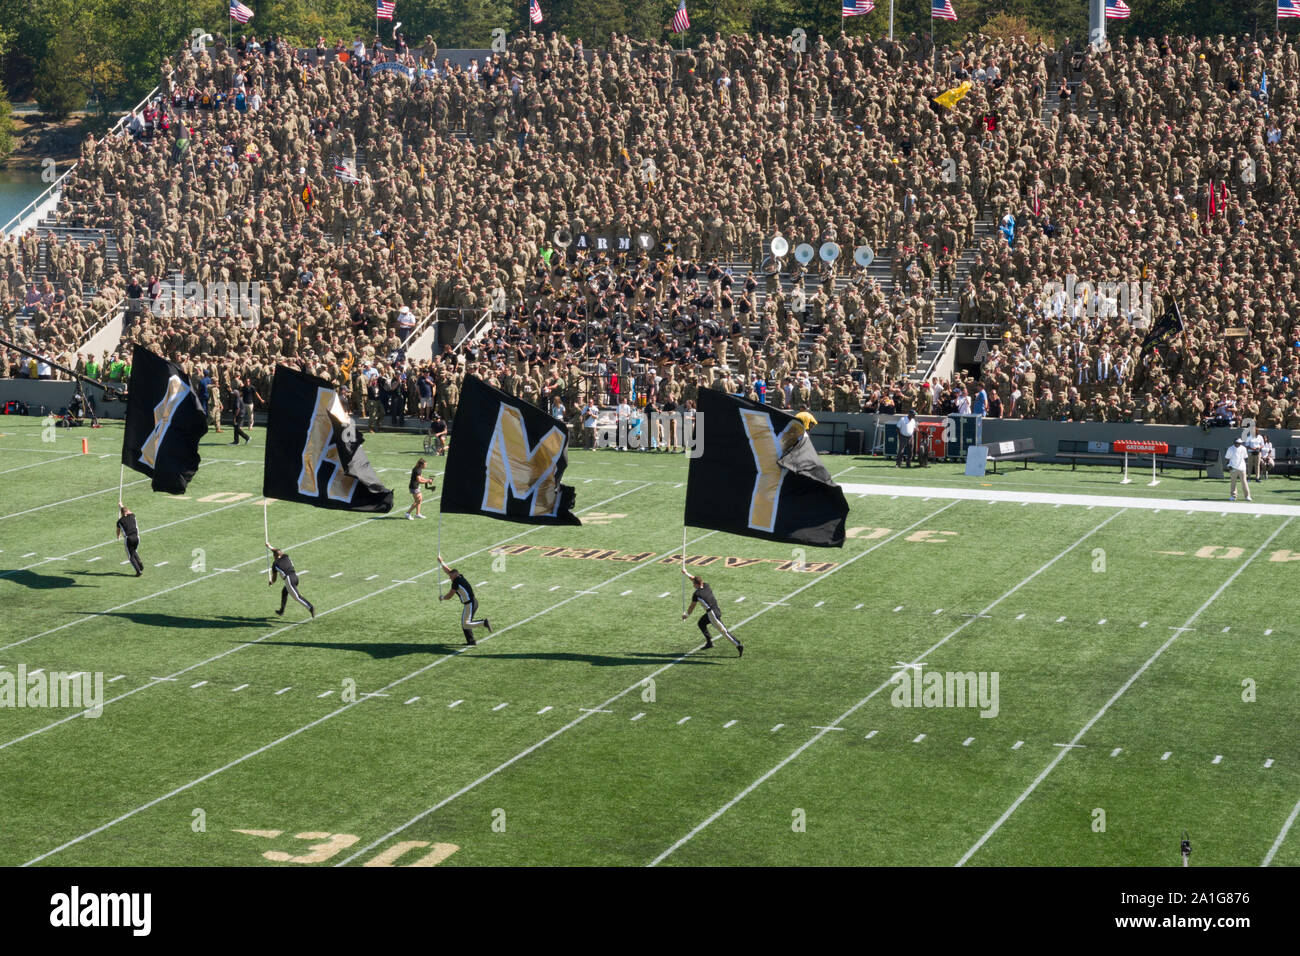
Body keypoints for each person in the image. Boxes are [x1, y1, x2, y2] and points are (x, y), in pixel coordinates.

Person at [682, 569, 743, 657]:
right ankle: (709, 642)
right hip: (716, 609)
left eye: (693, 584)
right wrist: (686, 573)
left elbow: (692, 607)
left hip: (712, 614)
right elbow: (693, 578)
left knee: (723, 631)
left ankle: (738, 645)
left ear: (696, 584)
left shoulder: (697, 594)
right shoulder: (706, 585)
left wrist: (686, 615)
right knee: (701, 623)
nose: (693, 585)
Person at [437, 554, 491, 644]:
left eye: (450, 577)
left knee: (465, 624)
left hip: (469, 604)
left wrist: (442, 597)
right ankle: (471, 641)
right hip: (474, 602)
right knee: (465, 623)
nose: (449, 578)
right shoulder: (460, 576)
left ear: (454, 576)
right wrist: (441, 562)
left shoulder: (455, 583)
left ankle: (484, 623)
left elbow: (450, 596)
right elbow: (449, 571)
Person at [267, 543, 315, 618]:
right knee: (284, 592)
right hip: (295, 577)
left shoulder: (275, 564)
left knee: (297, 597)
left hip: (289, 580)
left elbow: (274, 579)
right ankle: (281, 611)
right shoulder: (286, 556)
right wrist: (269, 546)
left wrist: (271, 582)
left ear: (275, 556)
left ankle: (310, 607)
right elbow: (276, 551)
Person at [116, 503, 143, 577]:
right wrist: (122, 505)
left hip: (129, 539)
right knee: (134, 551)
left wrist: (118, 536)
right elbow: (128, 511)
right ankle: (140, 563)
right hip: (137, 537)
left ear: (121, 513)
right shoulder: (132, 516)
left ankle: (138, 571)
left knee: (130, 556)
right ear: (127, 511)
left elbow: (118, 530)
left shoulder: (120, 521)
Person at [1225, 437, 1252, 503]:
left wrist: (1245, 466)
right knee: (1233, 482)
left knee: (1244, 482)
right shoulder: (1230, 449)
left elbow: (1245, 458)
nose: (1238, 444)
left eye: (1239, 443)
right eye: (1237, 443)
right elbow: (1227, 458)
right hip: (1233, 467)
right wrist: (1228, 466)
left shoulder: (1243, 448)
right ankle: (1233, 496)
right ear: (1234, 443)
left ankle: (1247, 496)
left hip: (1242, 468)